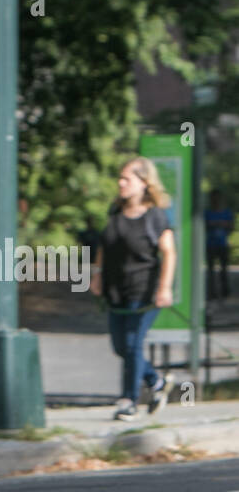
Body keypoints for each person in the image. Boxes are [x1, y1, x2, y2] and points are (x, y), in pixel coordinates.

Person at [91, 157, 176, 420]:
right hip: (116, 290)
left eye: (127, 178)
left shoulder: (155, 217)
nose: (120, 183)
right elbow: (105, 246)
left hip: (144, 292)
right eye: (120, 177)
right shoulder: (115, 211)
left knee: (132, 345)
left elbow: (169, 253)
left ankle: (128, 400)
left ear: (144, 182)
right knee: (120, 347)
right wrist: (96, 274)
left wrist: (164, 288)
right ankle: (156, 382)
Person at [204, 191, 233, 301]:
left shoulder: (226, 212)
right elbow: (204, 226)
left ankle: (225, 292)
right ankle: (212, 292)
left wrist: (217, 224)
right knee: (210, 270)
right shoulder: (207, 213)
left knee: (224, 270)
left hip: (222, 244)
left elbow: (231, 226)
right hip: (210, 245)